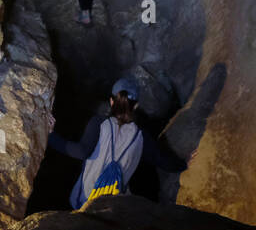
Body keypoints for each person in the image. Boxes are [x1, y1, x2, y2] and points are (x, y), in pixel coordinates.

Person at [48, 77, 195, 209]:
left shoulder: (99, 123)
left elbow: (81, 151)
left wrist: (51, 136)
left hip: (85, 200)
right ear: (136, 105)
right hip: (114, 206)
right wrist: (184, 164)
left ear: (111, 101)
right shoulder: (141, 136)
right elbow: (163, 161)